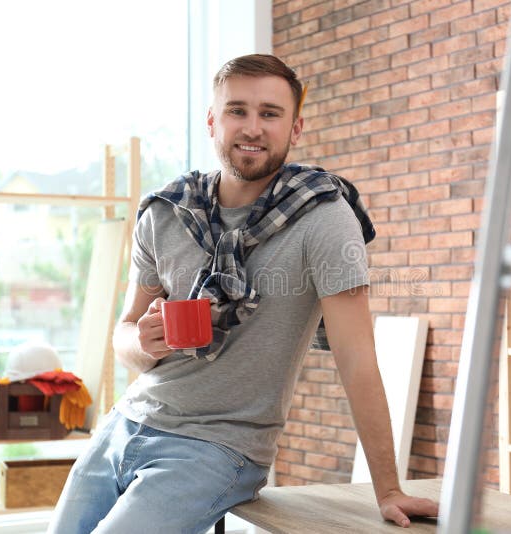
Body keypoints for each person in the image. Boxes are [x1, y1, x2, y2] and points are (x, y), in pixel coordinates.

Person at [48, 53, 439, 534]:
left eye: (270, 113)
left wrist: (389, 489)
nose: (253, 127)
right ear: (213, 121)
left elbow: (357, 359)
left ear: (295, 128)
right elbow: (125, 335)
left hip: (218, 448)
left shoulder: (323, 218)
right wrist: (143, 341)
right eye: (237, 111)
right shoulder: (166, 213)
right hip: (124, 423)